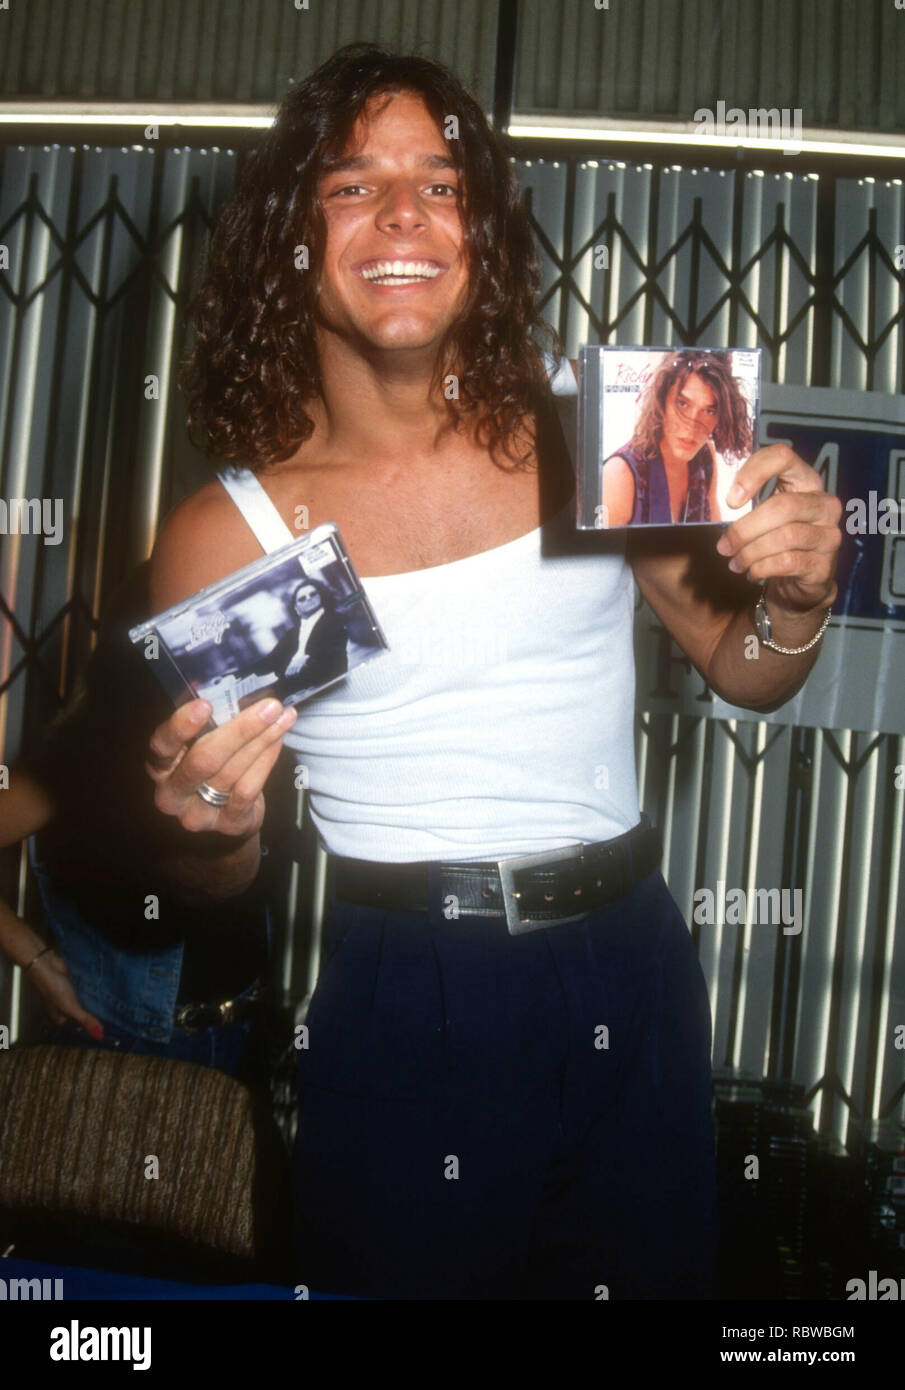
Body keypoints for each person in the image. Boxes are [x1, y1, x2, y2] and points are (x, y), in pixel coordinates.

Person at [141, 43, 842, 1299]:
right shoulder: (232, 532)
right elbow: (214, 872)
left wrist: (800, 597)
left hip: (632, 957)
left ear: (481, 232)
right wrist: (206, 823)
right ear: (292, 239)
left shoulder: (597, 428)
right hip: (416, 993)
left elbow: (745, 672)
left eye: (440, 182)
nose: (403, 214)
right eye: (352, 185)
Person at [1, 563, 275, 1083]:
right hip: (127, 1048)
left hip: (244, 1032)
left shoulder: (246, 738)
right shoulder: (78, 761)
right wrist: (36, 962)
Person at [601, 350, 753, 525]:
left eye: (709, 410)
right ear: (662, 400)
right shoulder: (619, 475)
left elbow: (713, 541)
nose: (692, 426)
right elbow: (596, 550)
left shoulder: (705, 457)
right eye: (683, 404)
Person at [249, 576, 349, 700]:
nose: (309, 599)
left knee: (254, 699)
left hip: (317, 681)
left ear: (321, 596)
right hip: (286, 681)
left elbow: (333, 653)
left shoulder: (334, 619)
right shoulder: (293, 632)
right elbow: (271, 660)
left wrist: (306, 658)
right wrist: (232, 676)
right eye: (302, 598)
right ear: (296, 608)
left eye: (313, 594)